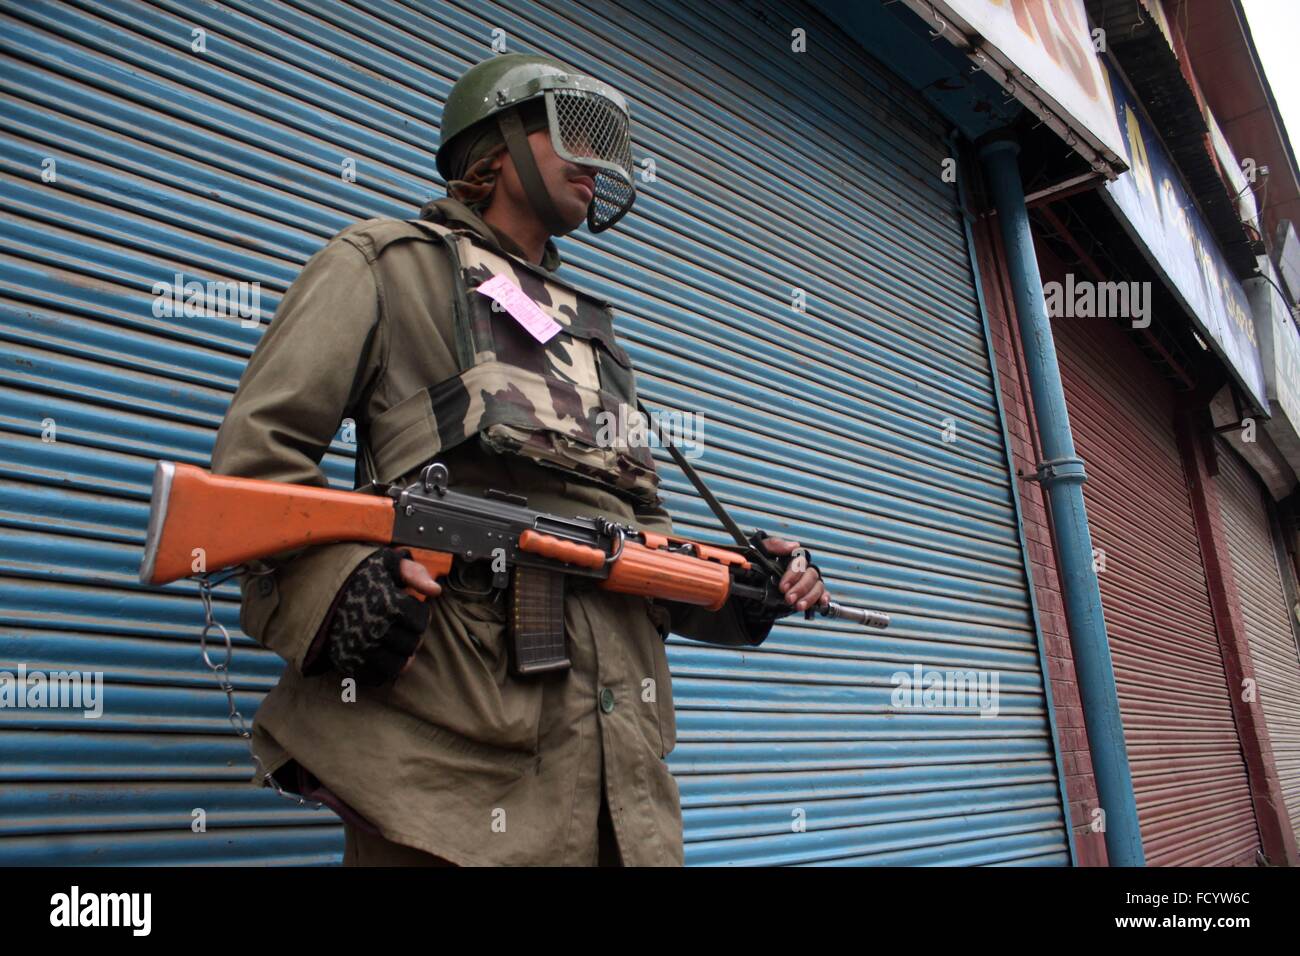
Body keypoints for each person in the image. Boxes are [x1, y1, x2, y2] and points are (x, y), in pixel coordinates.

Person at [210, 52, 829, 867]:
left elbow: (636, 535)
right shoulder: (389, 267)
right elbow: (254, 468)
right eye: (574, 135)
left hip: (619, 786)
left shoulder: (591, 338)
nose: (599, 165)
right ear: (494, 147)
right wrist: (342, 591)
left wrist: (745, 585)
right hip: (445, 777)